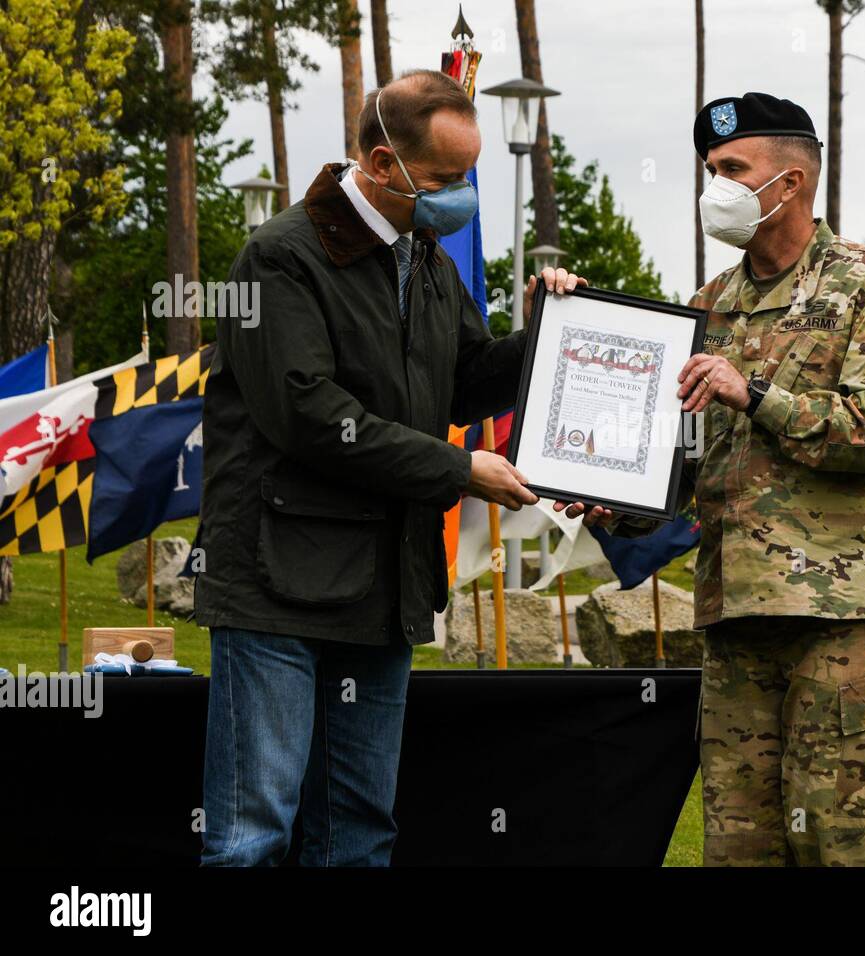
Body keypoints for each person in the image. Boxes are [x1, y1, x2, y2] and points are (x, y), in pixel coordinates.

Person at [196, 69, 585, 866]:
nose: (460, 197)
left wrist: (550, 331)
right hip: (276, 581)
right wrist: (457, 469)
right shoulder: (281, 257)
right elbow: (310, 416)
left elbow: (468, 376)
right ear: (379, 164)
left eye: (468, 179)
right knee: (249, 839)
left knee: (358, 836)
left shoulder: (427, 259)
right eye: (444, 180)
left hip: (385, 584)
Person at [561, 92, 865, 866]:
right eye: (709, 170)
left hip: (848, 621)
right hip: (738, 617)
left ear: (790, 183)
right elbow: (686, 465)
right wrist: (614, 498)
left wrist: (755, 392)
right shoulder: (709, 308)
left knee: (846, 846)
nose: (715, 187)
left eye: (733, 169)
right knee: (741, 851)